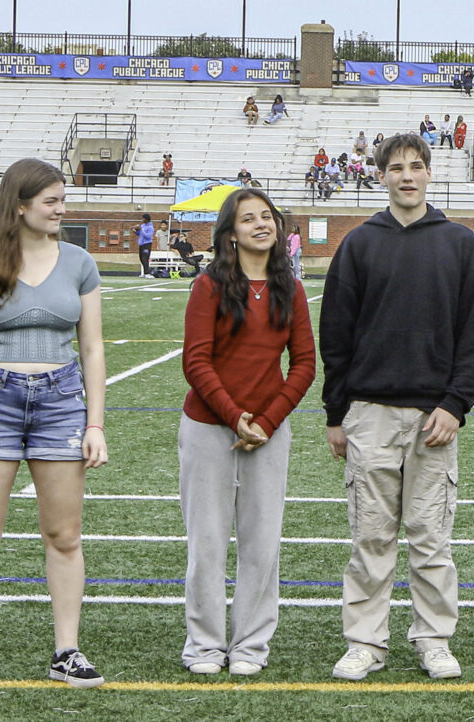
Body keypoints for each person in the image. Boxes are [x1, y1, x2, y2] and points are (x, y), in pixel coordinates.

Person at [0, 158, 108, 691]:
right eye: (51, 201)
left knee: (64, 534)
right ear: (20, 205)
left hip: (60, 401)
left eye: (62, 199)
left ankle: (67, 651)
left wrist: (94, 423)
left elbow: (93, 347)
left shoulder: (79, 263)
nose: (61, 209)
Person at [322, 133, 474, 682]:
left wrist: (456, 405)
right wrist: (335, 412)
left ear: (430, 173)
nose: (407, 176)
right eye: (396, 168)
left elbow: (473, 337)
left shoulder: (461, 243)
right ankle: (366, 642)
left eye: (416, 166)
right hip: (369, 411)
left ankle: (434, 639)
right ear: (381, 176)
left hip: (434, 417)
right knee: (370, 535)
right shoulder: (359, 244)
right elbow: (336, 335)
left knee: (430, 536)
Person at [178, 187, 315, 677]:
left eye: (267, 217)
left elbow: (303, 365)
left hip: (269, 434)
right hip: (208, 430)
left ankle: (251, 646)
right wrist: (235, 416)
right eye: (248, 219)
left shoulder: (291, 289)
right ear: (230, 233)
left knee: (262, 544)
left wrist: (267, 422)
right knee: (208, 544)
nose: (261, 224)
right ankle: (205, 646)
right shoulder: (209, 286)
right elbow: (195, 360)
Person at [135, 214, 156, 278]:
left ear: (147, 219)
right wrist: (136, 230)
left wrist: (141, 230)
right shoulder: (142, 226)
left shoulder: (150, 227)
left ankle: (147, 273)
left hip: (147, 244)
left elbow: (148, 236)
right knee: (141, 258)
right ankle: (144, 273)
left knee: (145, 258)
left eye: (143, 218)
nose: (142, 220)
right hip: (141, 244)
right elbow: (139, 234)